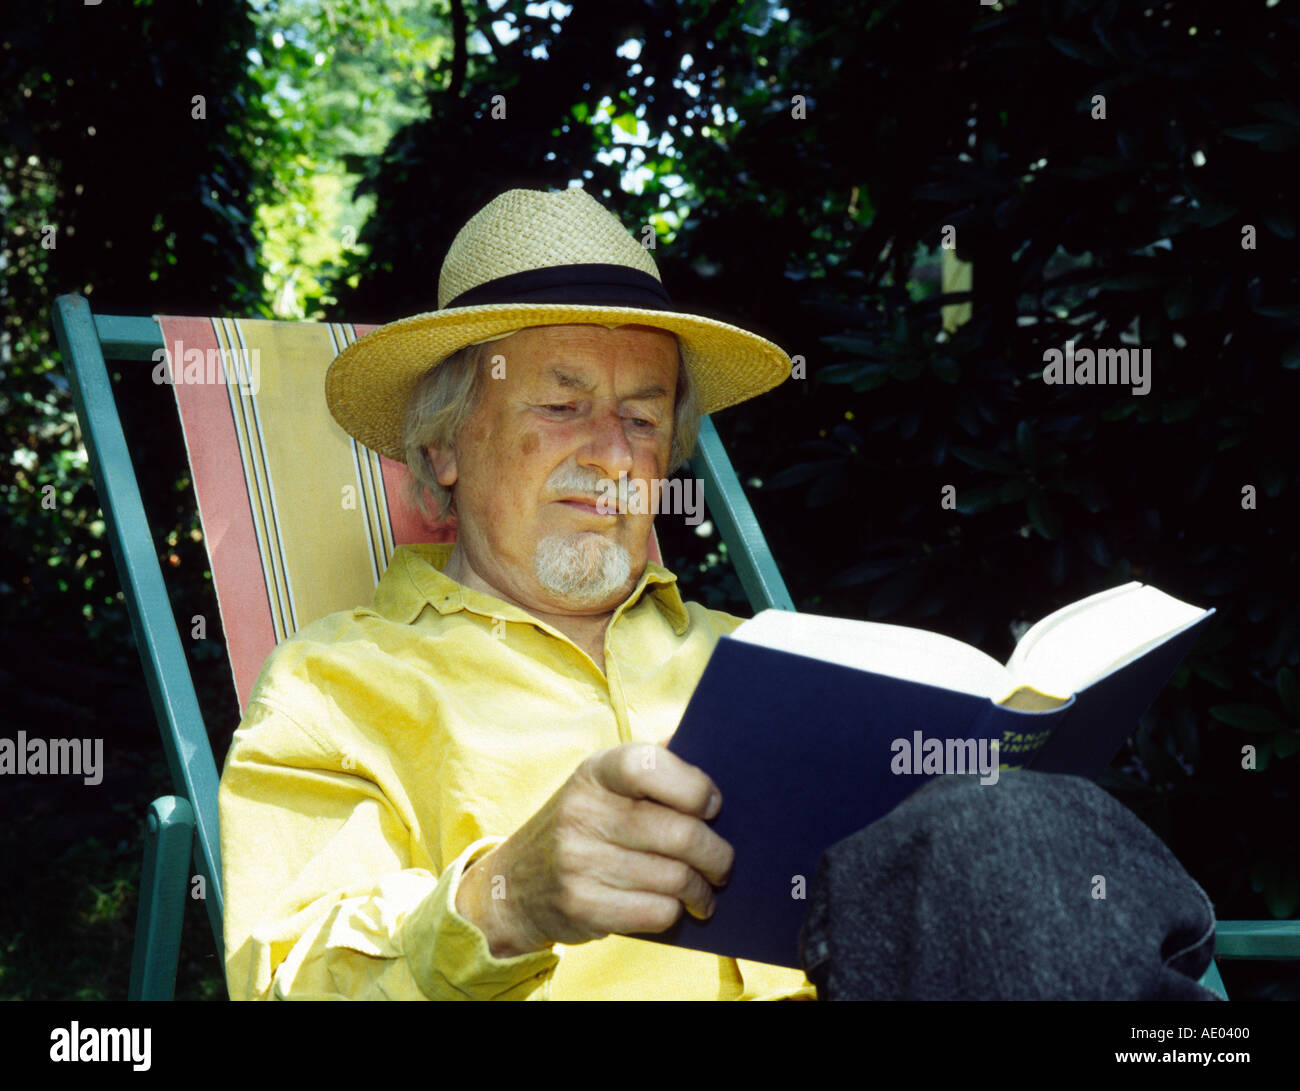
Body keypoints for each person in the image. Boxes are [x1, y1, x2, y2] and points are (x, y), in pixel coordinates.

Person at [217, 187, 1219, 1001]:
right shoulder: (336, 686)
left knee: (1016, 821)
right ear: (440, 448)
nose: (611, 454)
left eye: (643, 420)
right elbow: (283, 983)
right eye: (561, 406)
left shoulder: (770, 659)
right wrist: (502, 900)